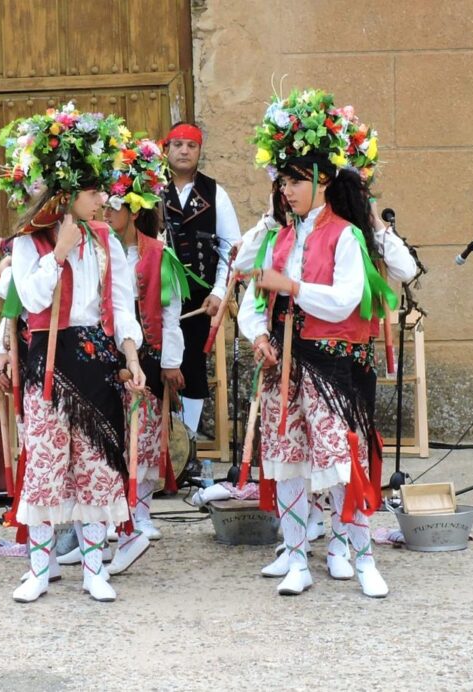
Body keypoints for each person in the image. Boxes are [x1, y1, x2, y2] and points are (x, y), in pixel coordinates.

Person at [239, 89, 397, 597]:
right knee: (287, 461)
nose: (286, 190)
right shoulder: (280, 237)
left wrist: (295, 289)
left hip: (332, 367)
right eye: (282, 181)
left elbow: (347, 300)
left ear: (322, 181)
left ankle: (362, 554)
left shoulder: (347, 236)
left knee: (338, 462)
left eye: (294, 180)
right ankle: (297, 561)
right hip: (284, 366)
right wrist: (259, 332)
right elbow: (252, 298)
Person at [0, 103, 146, 603]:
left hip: (95, 356)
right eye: (93, 190)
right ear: (65, 195)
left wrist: (132, 355)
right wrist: (57, 250)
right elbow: (33, 300)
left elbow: (123, 307)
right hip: (48, 359)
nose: (103, 198)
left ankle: (95, 568)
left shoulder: (107, 242)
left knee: (97, 464)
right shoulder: (28, 243)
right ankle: (39, 568)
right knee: (45, 462)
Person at [103, 135, 187, 572]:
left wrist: (170, 361)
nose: (106, 213)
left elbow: (171, 313)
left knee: (148, 432)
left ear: (133, 211)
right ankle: (115, 511)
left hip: (147, 355)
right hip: (105, 353)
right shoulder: (96, 250)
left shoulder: (159, 254)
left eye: (114, 206)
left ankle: (142, 510)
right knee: (113, 432)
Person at [162, 123, 241, 437]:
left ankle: (186, 444)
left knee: (191, 366)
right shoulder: (149, 189)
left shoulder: (214, 192)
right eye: (178, 144)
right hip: (157, 297)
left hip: (199, 299)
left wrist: (219, 292)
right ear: (166, 148)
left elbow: (230, 249)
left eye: (191, 146)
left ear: (199, 151)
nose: (184, 151)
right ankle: (157, 444)